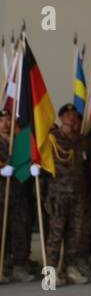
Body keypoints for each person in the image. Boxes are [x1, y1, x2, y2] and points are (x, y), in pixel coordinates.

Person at [45, 103, 91, 285]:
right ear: (61, 118)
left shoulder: (83, 141)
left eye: (74, 115)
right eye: (68, 115)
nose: (72, 118)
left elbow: (87, 167)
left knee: (76, 233)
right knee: (56, 235)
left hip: (79, 195)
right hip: (59, 195)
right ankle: (50, 274)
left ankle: (71, 268)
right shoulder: (52, 139)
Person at [0, 109, 37, 283]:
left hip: (20, 194)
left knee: (20, 230)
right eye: (2, 121)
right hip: (1, 195)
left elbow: (28, 159)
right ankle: (2, 265)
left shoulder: (21, 141)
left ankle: (19, 266)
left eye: (8, 119)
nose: (6, 124)